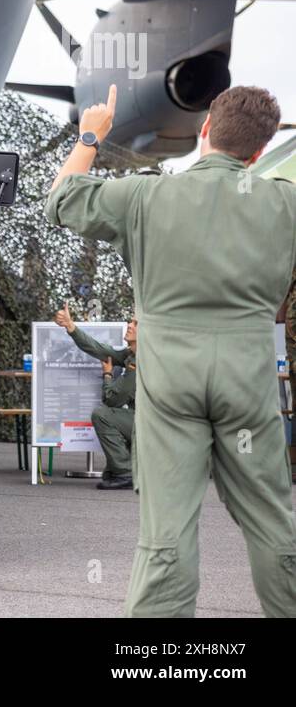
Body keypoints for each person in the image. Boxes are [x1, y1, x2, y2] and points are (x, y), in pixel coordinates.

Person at [46, 84, 296, 617]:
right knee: (276, 527)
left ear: (205, 129)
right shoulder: (284, 203)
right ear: (258, 153)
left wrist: (92, 134)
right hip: (247, 383)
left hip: (168, 384)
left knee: (166, 538)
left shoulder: (145, 196)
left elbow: (61, 200)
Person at [54, 303, 136, 489]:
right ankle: (130, 470)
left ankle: (126, 473)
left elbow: (113, 399)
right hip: (149, 422)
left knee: (102, 415)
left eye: (135, 324)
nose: (129, 325)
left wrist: (107, 375)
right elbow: (100, 350)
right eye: (131, 321)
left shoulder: (139, 362)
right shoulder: (132, 355)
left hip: (152, 426)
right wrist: (71, 327)